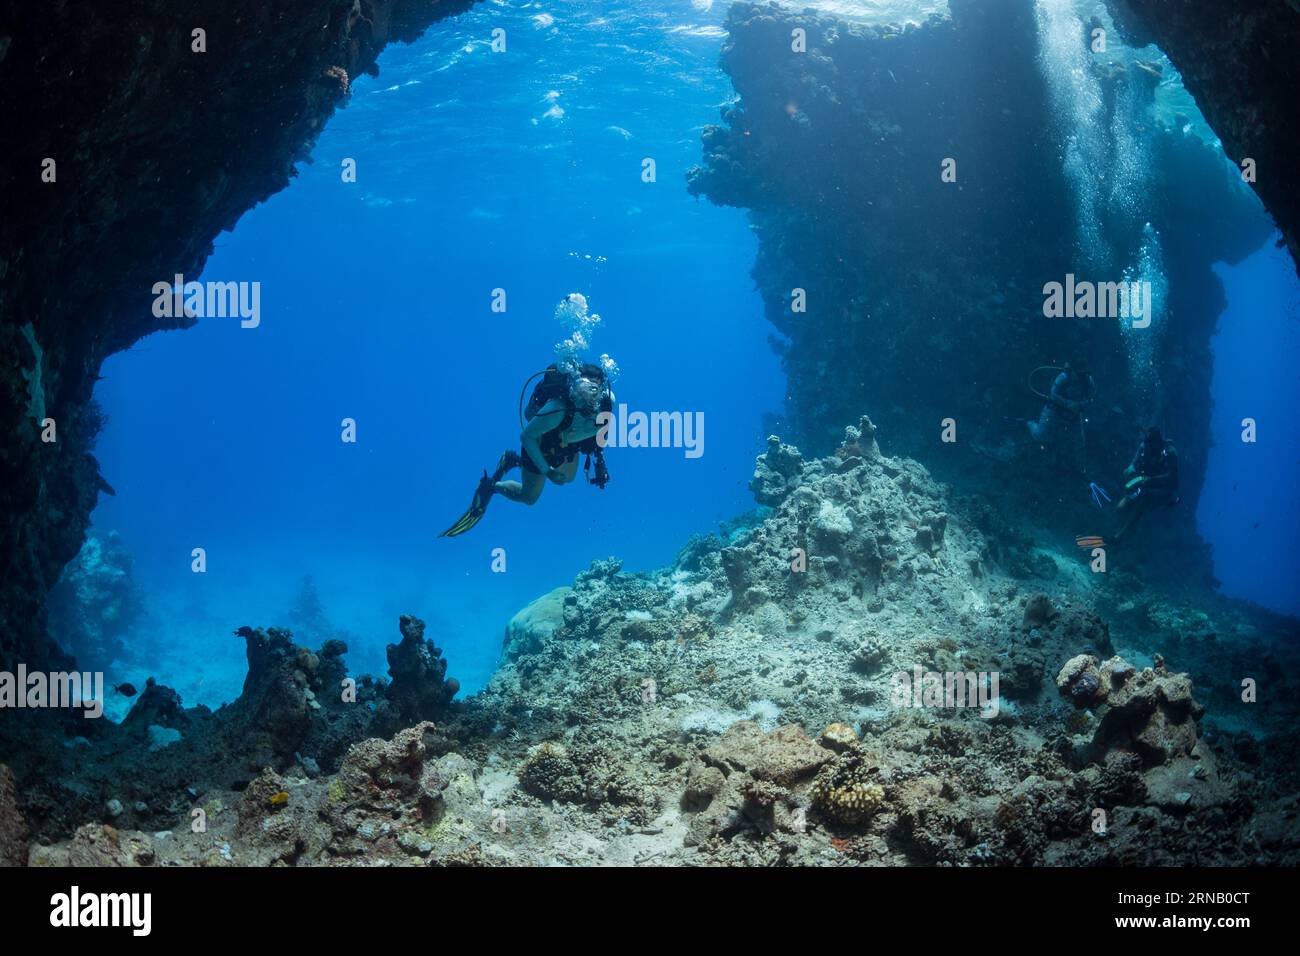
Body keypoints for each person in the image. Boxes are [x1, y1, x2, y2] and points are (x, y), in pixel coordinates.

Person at [439, 363, 613, 537]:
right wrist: (546, 470)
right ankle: (490, 486)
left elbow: (596, 435)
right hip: (540, 444)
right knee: (529, 498)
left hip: (566, 444)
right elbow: (526, 437)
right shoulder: (557, 409)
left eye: (593, 389)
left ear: (602, 391)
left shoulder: (607, 405)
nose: (586, 396)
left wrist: (599, 461)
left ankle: (513, 461)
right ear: (573, 385)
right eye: (582, 387)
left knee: (568, 478)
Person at [1113, 427, 1179, 540]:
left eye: (1153, 444)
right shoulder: (1144, 446)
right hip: (1144, 480)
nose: (1150, 447)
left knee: (1144, 499)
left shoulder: (1170, 452)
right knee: (1124, 498)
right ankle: (1127, 522)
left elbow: (1171, 476)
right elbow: (1134, 463)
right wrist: (1129, 469)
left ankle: (1121, 535)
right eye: (1148, 443)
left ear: (1158, 443)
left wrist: (1152, 479)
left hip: (1163, 486)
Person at [1025, 360, 1095, 444]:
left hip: (1073, 414)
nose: (1081, 377)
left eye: (1083, 374)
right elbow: (1053, 394)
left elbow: (1092, 398)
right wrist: (1069, 404)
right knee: (1041, 436)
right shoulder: (1063, 377)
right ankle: (1029, 422)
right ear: (1072, 371)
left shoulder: (1088, 380)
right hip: (1054, 410)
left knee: (1068, 441)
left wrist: (1081, 405)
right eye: (1078, 374)